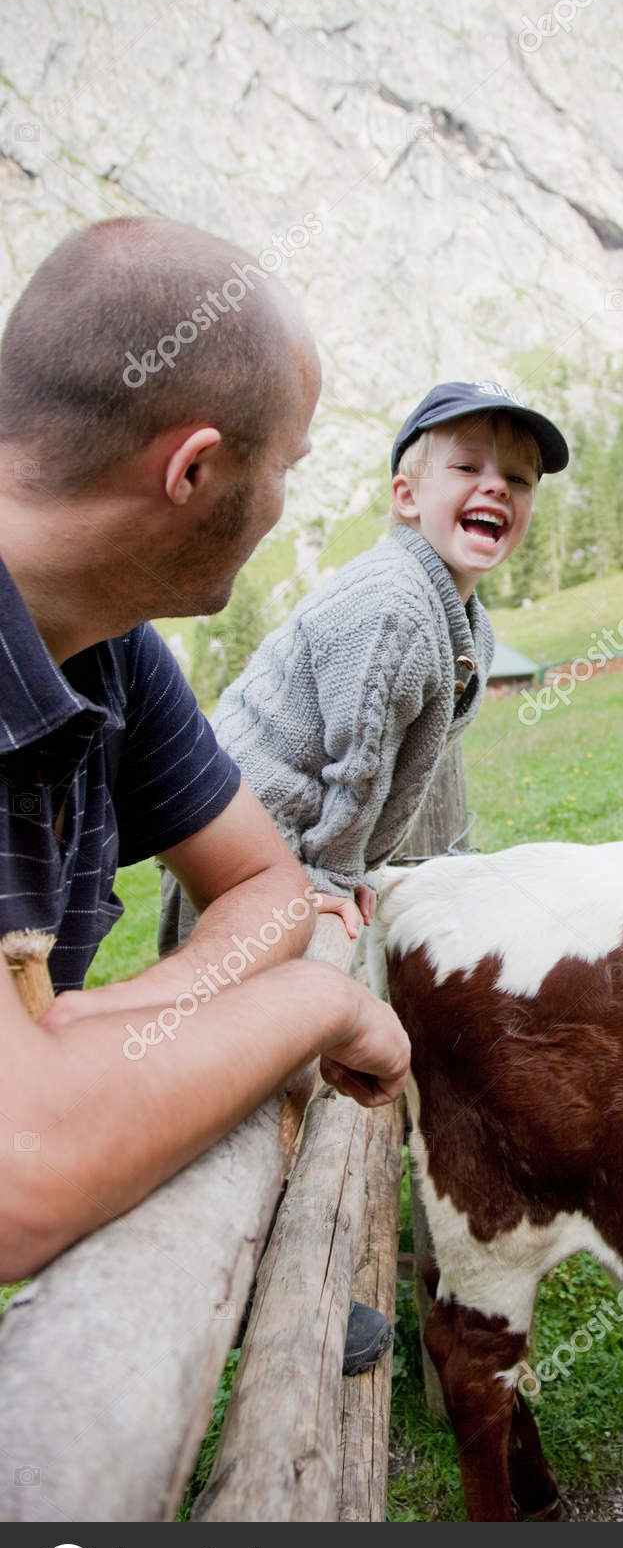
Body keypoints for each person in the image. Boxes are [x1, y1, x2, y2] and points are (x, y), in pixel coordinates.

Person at [0, 217, 410, 1284]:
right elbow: (17, 1182)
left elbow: (267, 884)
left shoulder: (107, 648)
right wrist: (315, 1003)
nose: (284, 505)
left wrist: (112, 1018)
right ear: (192, 469)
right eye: (286, 466)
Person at [158, 379, 569, 1368]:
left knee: (283, 1055)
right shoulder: (393, 603)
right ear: (403, 493)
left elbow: (422, 758)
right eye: (467, 467)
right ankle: (270, 1295)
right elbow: (355, 755)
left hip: (292, 852)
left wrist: (432, 857)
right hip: (250, 854)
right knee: (256, 1073)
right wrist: (337, 877)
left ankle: (289, 1266)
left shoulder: (459, 614)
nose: (495, 489)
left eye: (515, 478)